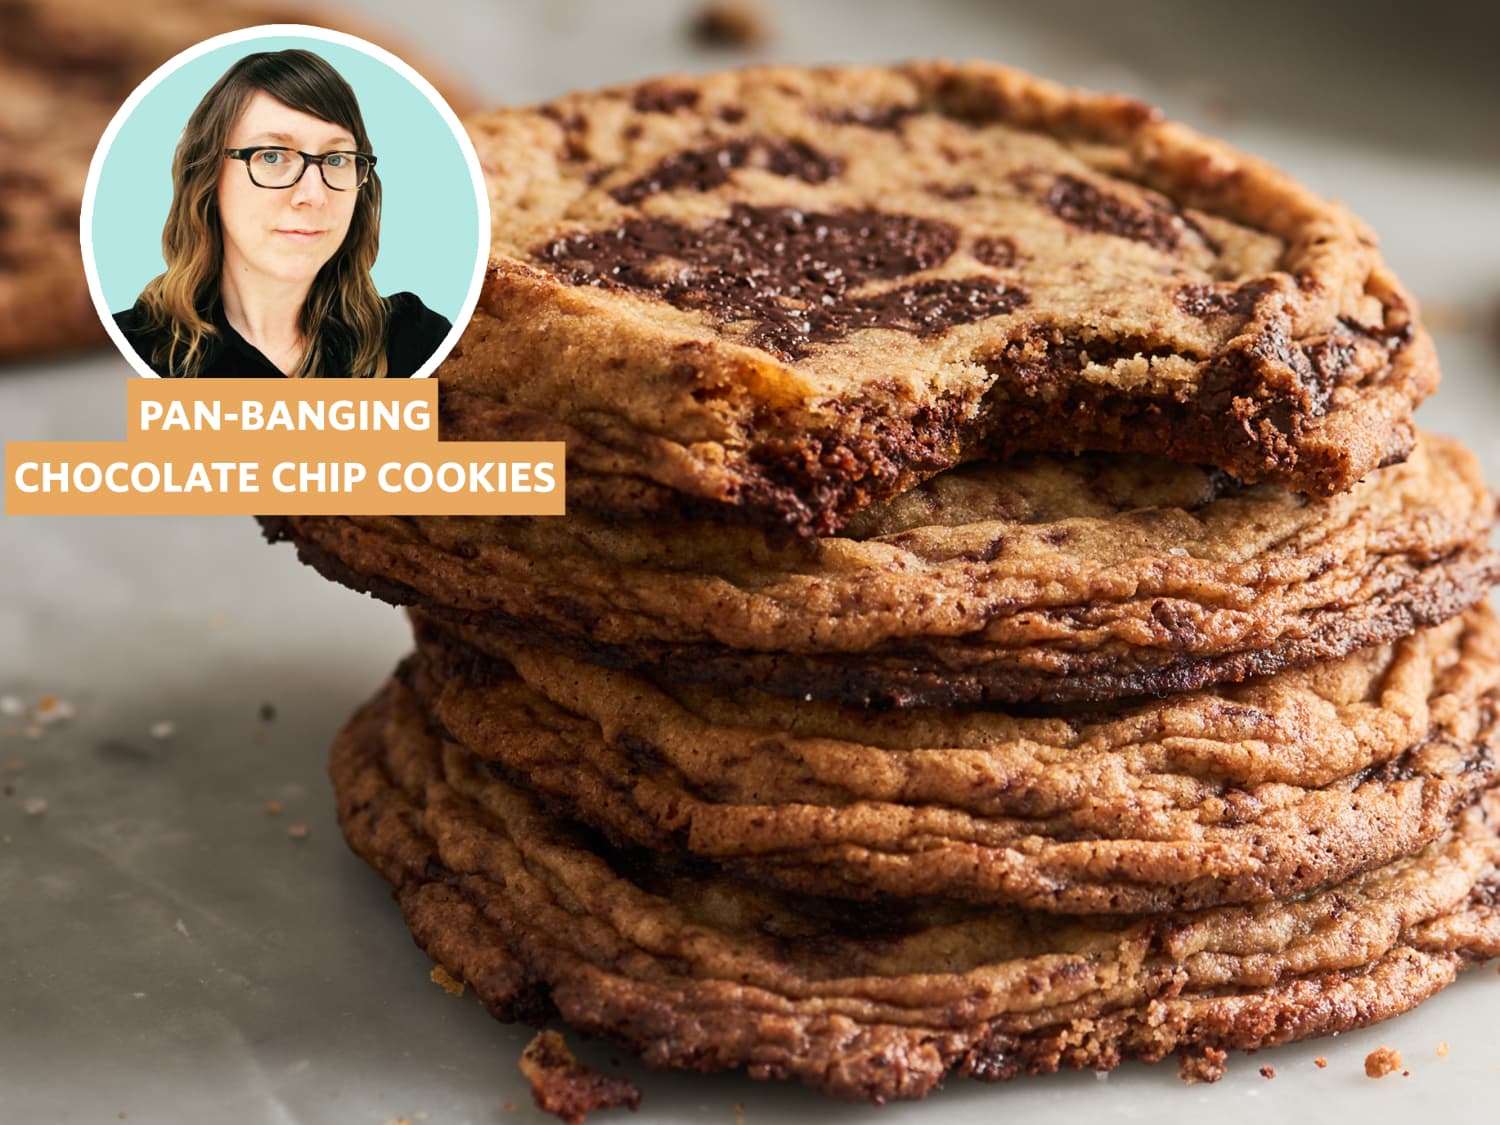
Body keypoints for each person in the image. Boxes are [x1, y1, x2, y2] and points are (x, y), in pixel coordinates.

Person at [113, 49, 451, 377]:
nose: (313, 195)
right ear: (208, 177)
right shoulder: (126, 349)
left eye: (336, 159)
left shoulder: (418, 343)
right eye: (273, 156)